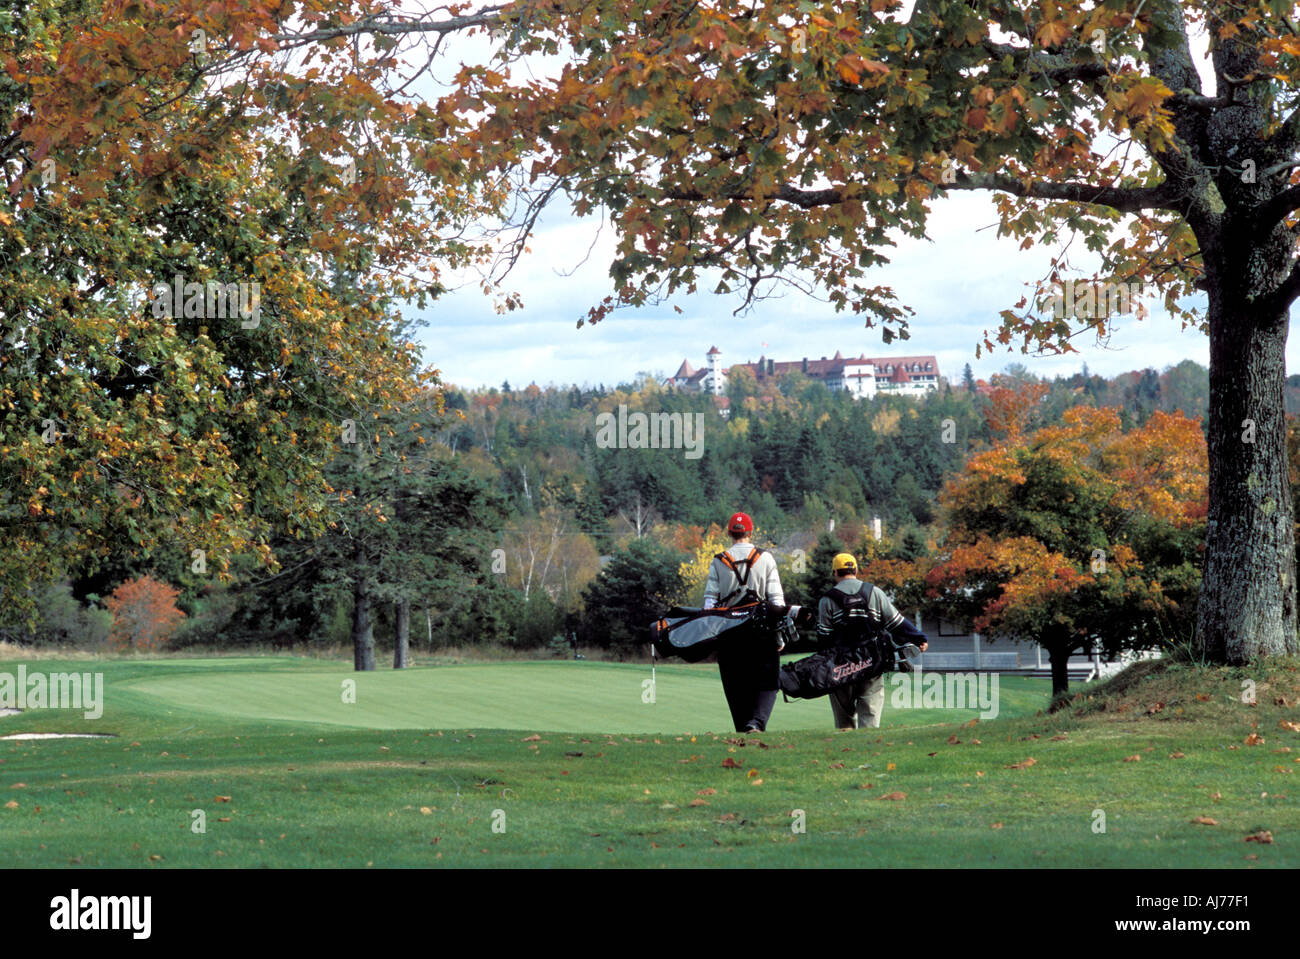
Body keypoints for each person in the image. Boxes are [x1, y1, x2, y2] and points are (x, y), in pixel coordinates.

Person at [817, 552, 929, 729]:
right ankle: (868, 751)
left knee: (844, 721)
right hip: (871, 664)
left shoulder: (827, 600)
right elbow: (896, 622)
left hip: (840, 667)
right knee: (870, 715)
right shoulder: (874, 592)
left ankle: (845, 752)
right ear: (856, 570)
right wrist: (919, 638)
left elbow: (824, 638)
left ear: (835, 573)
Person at [703, 511, 785, 733]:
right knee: (768, 680)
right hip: (762, 632)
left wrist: (711, 636)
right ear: (751, 532)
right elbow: (777, 602)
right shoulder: (766, 558)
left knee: (735, 685)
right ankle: (757, 723)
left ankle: (742, 728)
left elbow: (709, 605)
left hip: (730, 634)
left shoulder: (719, 561)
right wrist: (779, 636)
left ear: (730, 533)